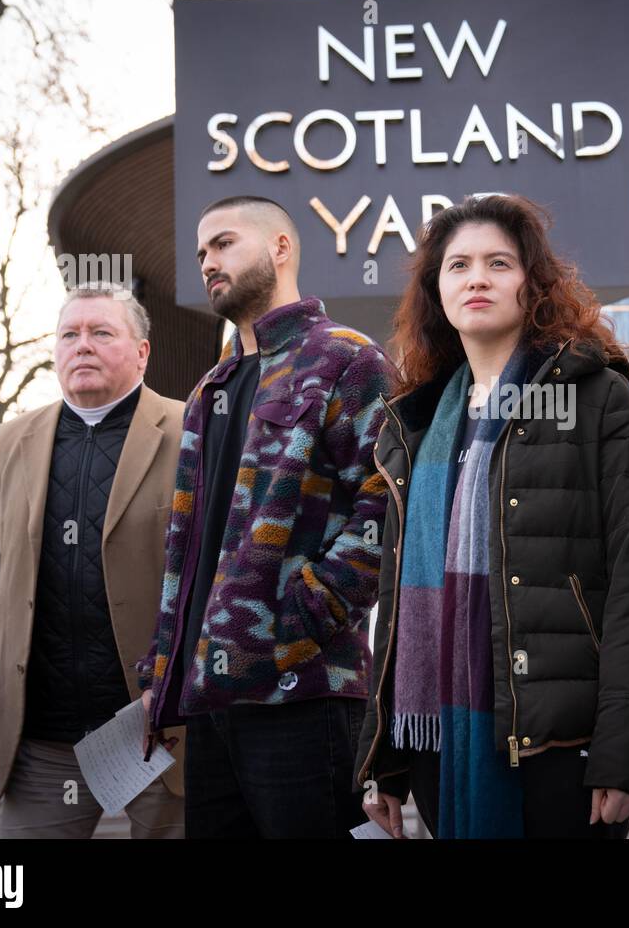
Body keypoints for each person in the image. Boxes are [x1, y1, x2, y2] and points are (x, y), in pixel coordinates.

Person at [354, 194, 629, 839]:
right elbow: (395, 598)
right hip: (436, 738)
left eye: (500, 263)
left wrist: (625, 749)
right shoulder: (415, 423)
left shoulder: (595, 396)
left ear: (532, 283)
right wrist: (380, 759)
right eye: (458, 265)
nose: (478, 278)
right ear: (437, 291)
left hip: (559, 736)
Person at [136, 195, 389, 838]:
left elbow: (388, 507)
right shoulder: (208, 391)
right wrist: (162, 670)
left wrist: (293, 625)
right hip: (211, 700)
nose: (208, 263)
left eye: (223, 243)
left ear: (280, 248)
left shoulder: (347, 359)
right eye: (200, 253)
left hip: (305, 692)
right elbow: (189, 549)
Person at [0, 283, 186, 838]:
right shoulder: (7, 444)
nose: (82, 345)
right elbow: (11, 559)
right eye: (70, 334)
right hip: (45, 737)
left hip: (157, 728)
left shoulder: (194, 429)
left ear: (142, 352)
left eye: (101, 332)